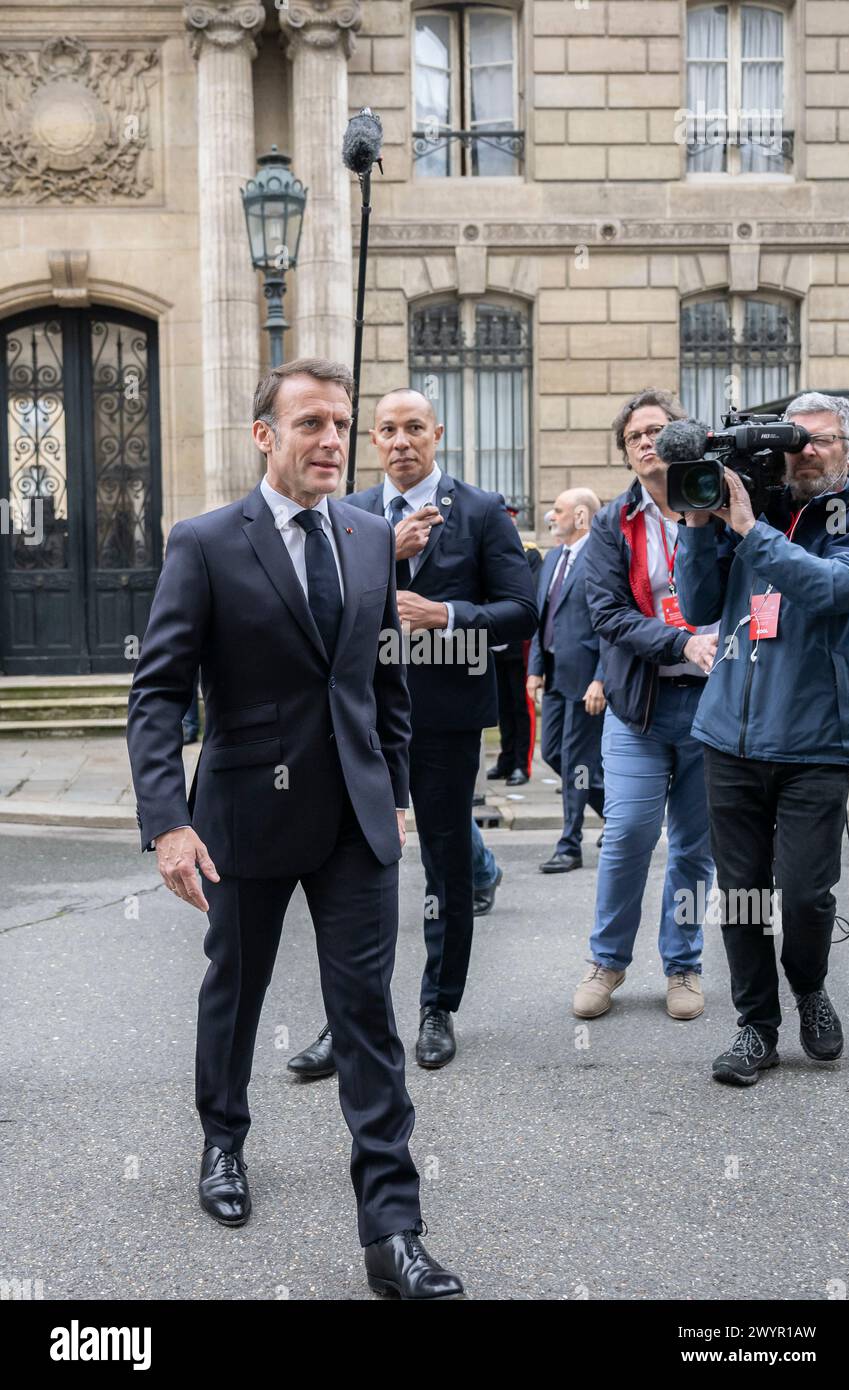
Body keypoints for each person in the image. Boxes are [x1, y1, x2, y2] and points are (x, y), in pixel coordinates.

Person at [126, 358, 463, 1299]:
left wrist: (392, 786)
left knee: (366, 1015)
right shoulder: (205, 543)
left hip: (355, 818)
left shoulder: (369, 537)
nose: (332, 439)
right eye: (310, 422)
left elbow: (378, 679)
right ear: (265, 436)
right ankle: (223, 1142)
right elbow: (157, 696)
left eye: (341, 423)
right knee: (236, 989)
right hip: (243, 814)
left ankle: (393, 1234)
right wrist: (168, 825)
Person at [288, 386, 538, 1072]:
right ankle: (350, 1021)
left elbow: (522, 610)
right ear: (373, 440)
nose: (401, 441)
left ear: (438, 434)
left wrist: (449, 615)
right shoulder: (349, 512)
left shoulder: (482, 511)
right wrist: (378, 552)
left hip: (446, 721)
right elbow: (314, 610)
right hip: (360, 720)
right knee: (351, 868)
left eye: (415, 429)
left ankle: (438, 1007)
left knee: (446, 864)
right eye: (388, 430)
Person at [676, 391, 849, 1085]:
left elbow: (832, 590)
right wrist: (700, 519)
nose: (804, 451)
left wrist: (752, 529)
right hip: (728, 735)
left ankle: (809, 987)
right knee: (743, 893)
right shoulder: (750, 504)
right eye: (795, 440)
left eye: (818, 440)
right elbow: (696, 606)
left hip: (816, 740)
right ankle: (757, 1026)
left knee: (807, 895)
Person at [575, 389, 717, 1023]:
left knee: (694, 845)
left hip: (714, 706)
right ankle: (607, 962)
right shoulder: (612, 522)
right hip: (641, 705)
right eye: (634, 436)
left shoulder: (718, 505)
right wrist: (683, 641)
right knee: (628, 832)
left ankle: (683, 966)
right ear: (625, 452)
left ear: (684, 439)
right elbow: (607, 614)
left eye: (658, 430)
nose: (646, 442)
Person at [527, 487, 605, 873]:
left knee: (577, 760)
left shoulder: (601, 556)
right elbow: (544, 618)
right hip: (556, 674)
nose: (550, 517)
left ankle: (569, 844)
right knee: (552, 753)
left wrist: (602, 678)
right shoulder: (554, 557)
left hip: (587, 679)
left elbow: (611, 622)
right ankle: (614, 811)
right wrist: (534, 669)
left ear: (580, 516)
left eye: (556, 509)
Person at [488, 505, 542, 785]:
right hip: (493, 642)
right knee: (503, 708)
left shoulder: (528, 553)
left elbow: (526, 594)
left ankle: (523, 764)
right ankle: (506, 759)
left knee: (522, 707)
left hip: (518, 644)